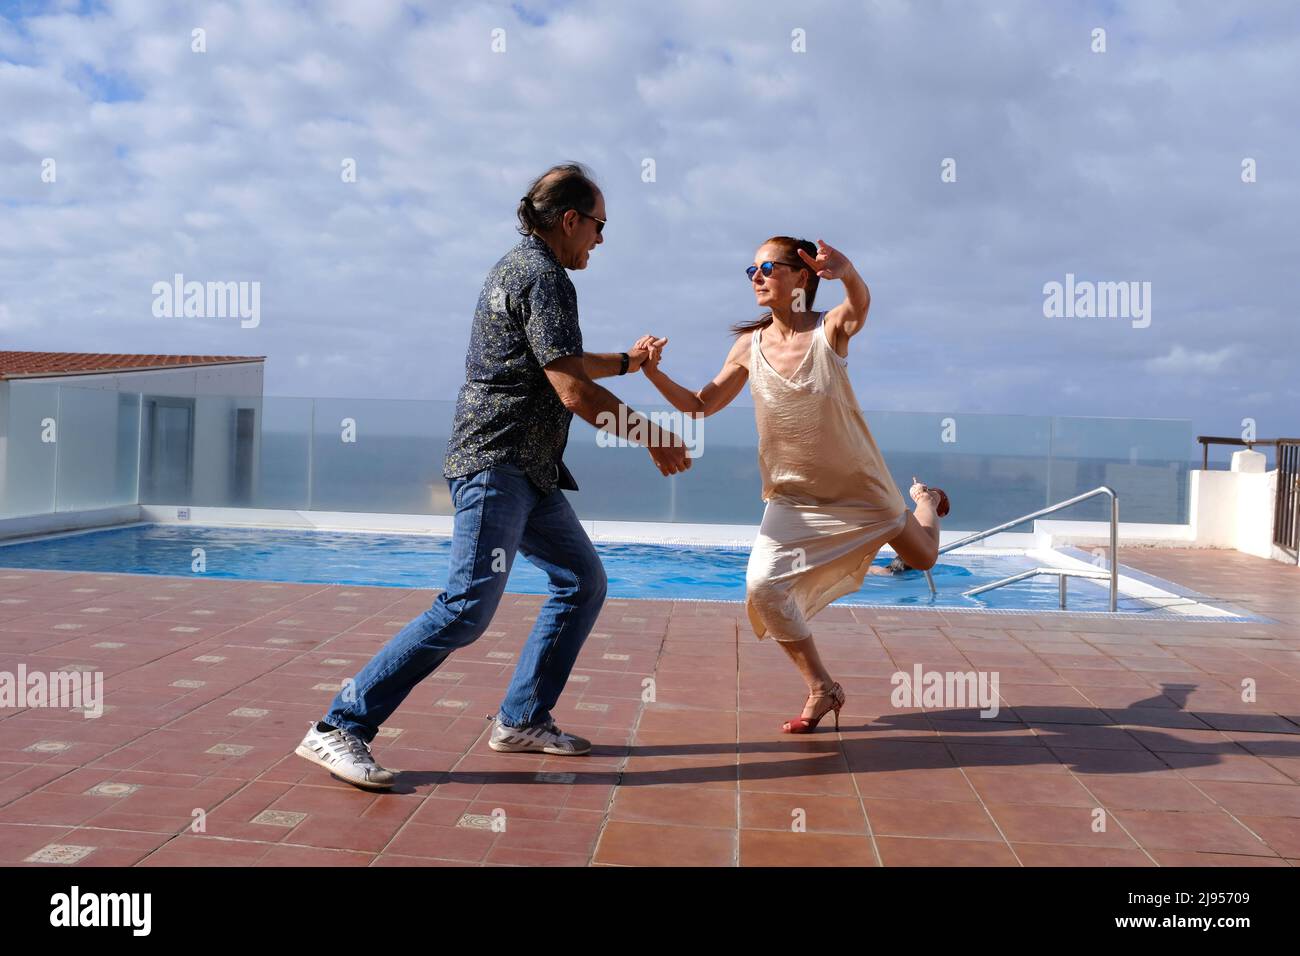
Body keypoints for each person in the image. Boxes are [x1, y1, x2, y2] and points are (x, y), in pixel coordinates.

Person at [295, 163, 691, 789]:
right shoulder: (544, 275)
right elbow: (569, 389)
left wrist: (628, 362)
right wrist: (653, 436)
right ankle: (339, 727)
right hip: (497, 463)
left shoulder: (528, 269)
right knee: (466, 608)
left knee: (582, 582)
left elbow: (562, 360)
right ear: (570, 220)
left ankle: (522, 719)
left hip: (529, 472)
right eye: (599, 226)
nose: (601, 239)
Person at [640, 236, 948, 733]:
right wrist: (653, 372)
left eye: (768, 267)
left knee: (923, 557)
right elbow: (698, 405)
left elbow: (858, 306)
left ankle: (925, 499)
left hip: (860, 489)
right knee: (763, 588)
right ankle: (822, 687)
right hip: (793, 496)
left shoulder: (830, 331)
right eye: (751, 269)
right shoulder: (749, 346)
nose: (757, 277)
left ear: (803, 275)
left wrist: (846, 271)